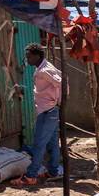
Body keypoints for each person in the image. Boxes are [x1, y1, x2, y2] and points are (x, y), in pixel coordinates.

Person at [17, 43, 62, 186]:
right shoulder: (44, 67)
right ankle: (53, 172)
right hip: (50, 110)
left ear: (37, 56)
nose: (27, 59)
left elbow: (61, 83)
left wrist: (59, 101)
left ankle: (31, 175)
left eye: (29, 57)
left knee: (39, 144)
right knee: (53, 143)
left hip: (48, 111)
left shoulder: (44, 70)